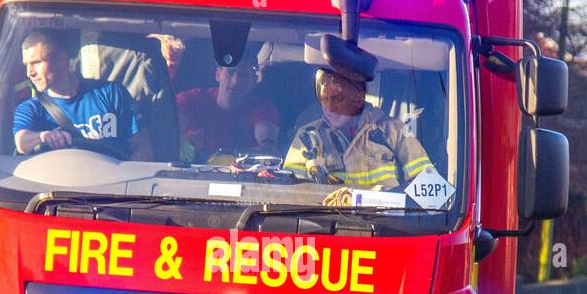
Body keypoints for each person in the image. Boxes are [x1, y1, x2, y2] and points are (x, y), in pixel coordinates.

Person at [282, 68, 435, 190]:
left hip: (386, 224)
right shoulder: (307, 136)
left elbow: (430, 188)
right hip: (322, 224)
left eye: (337, 98)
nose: (329, 107)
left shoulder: (394, 130)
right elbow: (288, 190)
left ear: (358, 98)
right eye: (324, 99)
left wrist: (395, 198)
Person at [12, 31, 153, 159]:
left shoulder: (111, 93)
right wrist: (44, 136)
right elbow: (22, 141)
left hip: (112, 182)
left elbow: (142, 148)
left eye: (36, 62)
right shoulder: (31, 108)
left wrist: (123, 180)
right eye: (26, 65)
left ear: (62, 59)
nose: (29, 72)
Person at [175, 60, 280, 163]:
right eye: (230, 72)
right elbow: (167, 136)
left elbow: (267, 148)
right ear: (218, 75)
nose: (235, 81)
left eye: (244, 75)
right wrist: (186, 144)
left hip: (240, 177)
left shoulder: (262, 108)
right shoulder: (190, 100)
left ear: (254, 81)